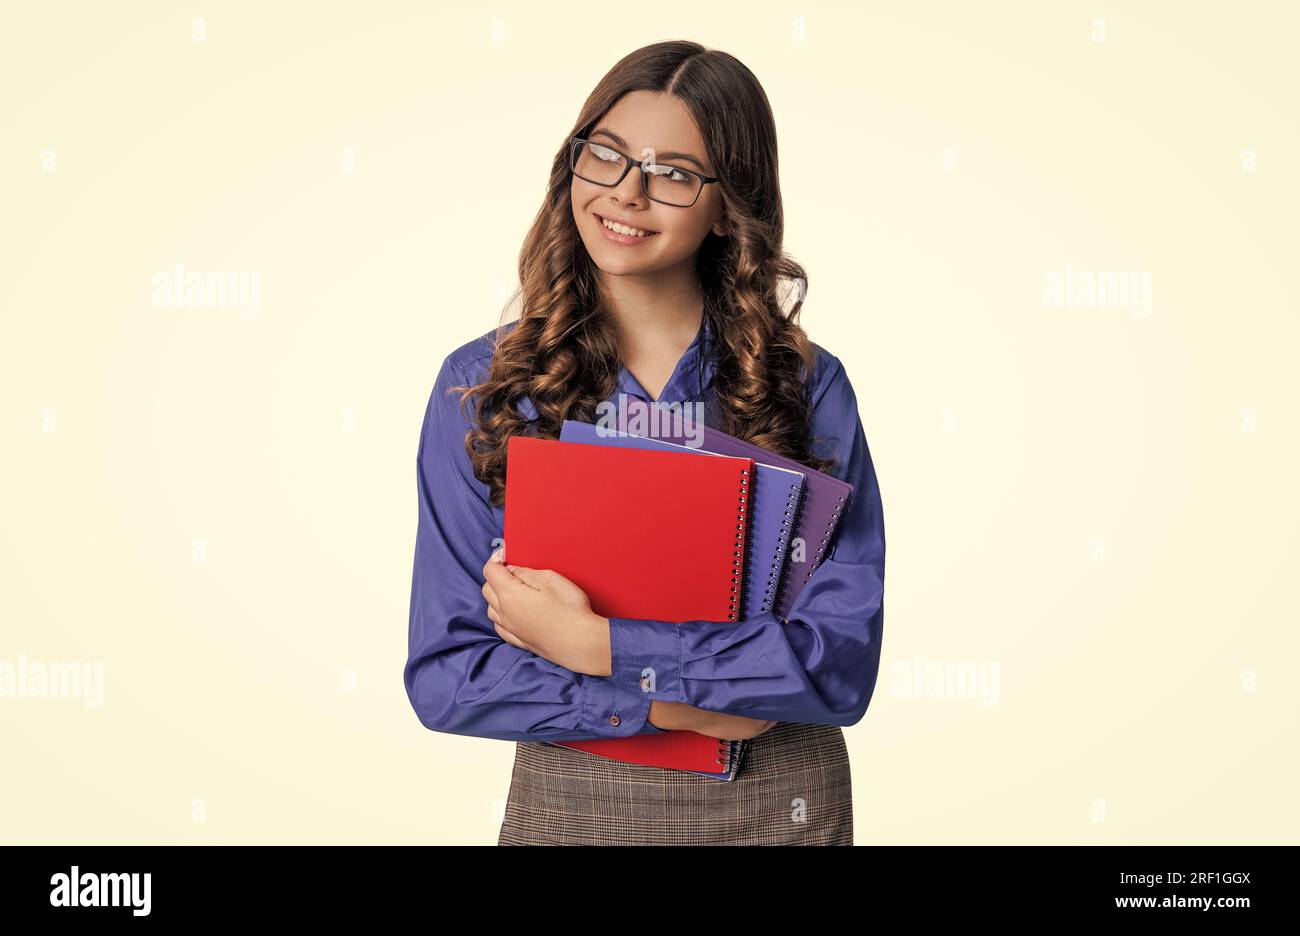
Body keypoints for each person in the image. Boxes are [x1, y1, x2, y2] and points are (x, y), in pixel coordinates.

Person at [405, 40, 886, 845]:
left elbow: (836, 664)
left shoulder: (806, 384)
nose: (627, 195)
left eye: (673, 173)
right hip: (573, 804)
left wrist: (594, 642)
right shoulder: (483, 383)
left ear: (728, 202)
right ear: (573, 166)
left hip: (781, 808)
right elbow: (449, 675)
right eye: (607, 156)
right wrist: (674, 699)